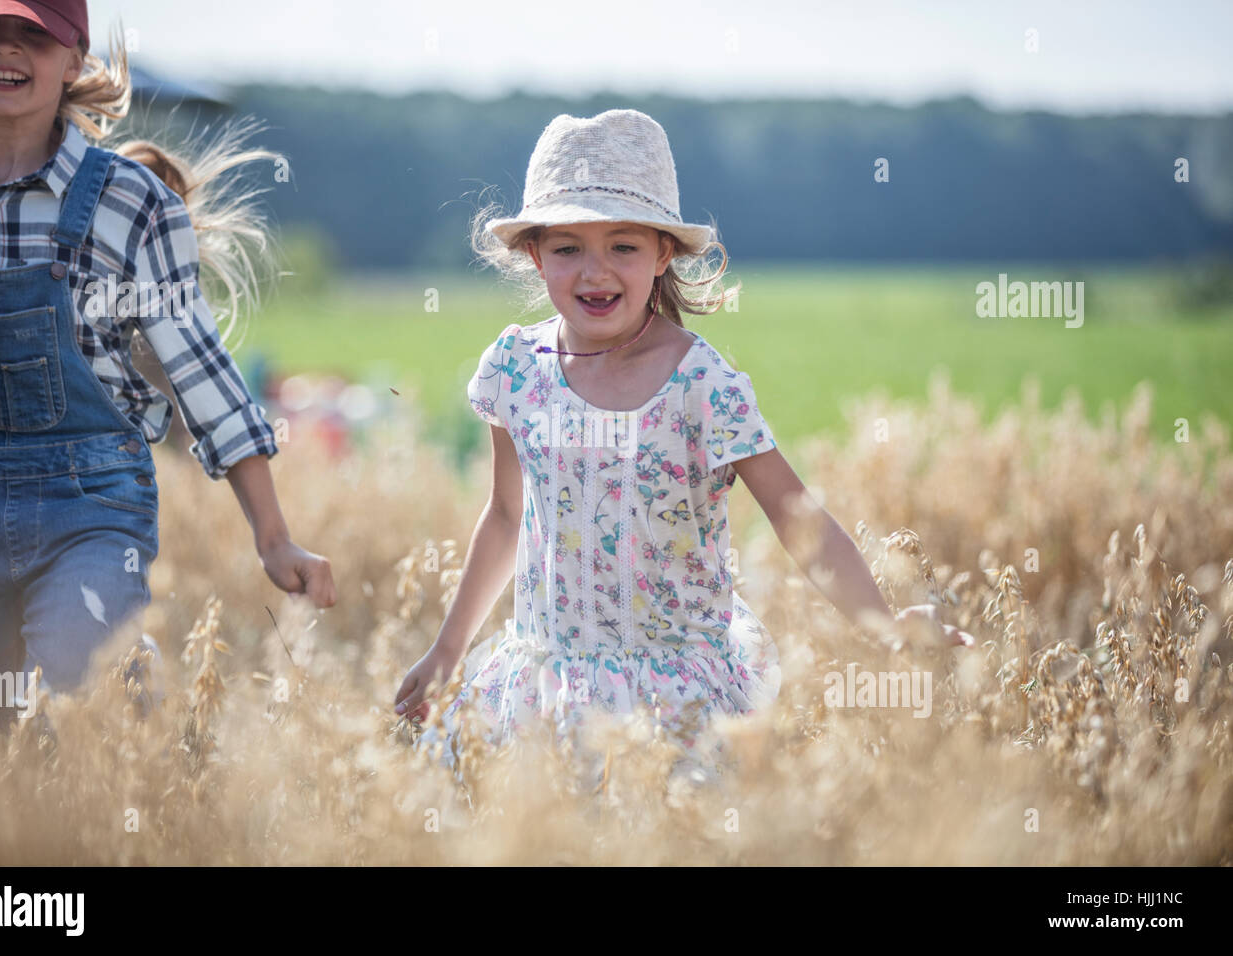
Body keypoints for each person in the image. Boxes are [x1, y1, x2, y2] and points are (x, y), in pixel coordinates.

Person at [393, 108, 973, 785]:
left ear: (664, 252)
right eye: (568, 248)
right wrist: (448, 649)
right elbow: (504, 514)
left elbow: (799, 518)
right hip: (543, 682)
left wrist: (883, 628)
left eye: (623, 246)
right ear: (535, 255)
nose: (595, 272)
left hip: (671, 692)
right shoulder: (514, 369)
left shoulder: (701, 384)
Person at [0, 0, 336, 726]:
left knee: (85, 683)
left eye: (33, 34)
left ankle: (134, 727)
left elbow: (202, 372)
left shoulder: (131, 203)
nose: (6, 48)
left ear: (73, 60)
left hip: (88, 502)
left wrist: (274, 537)